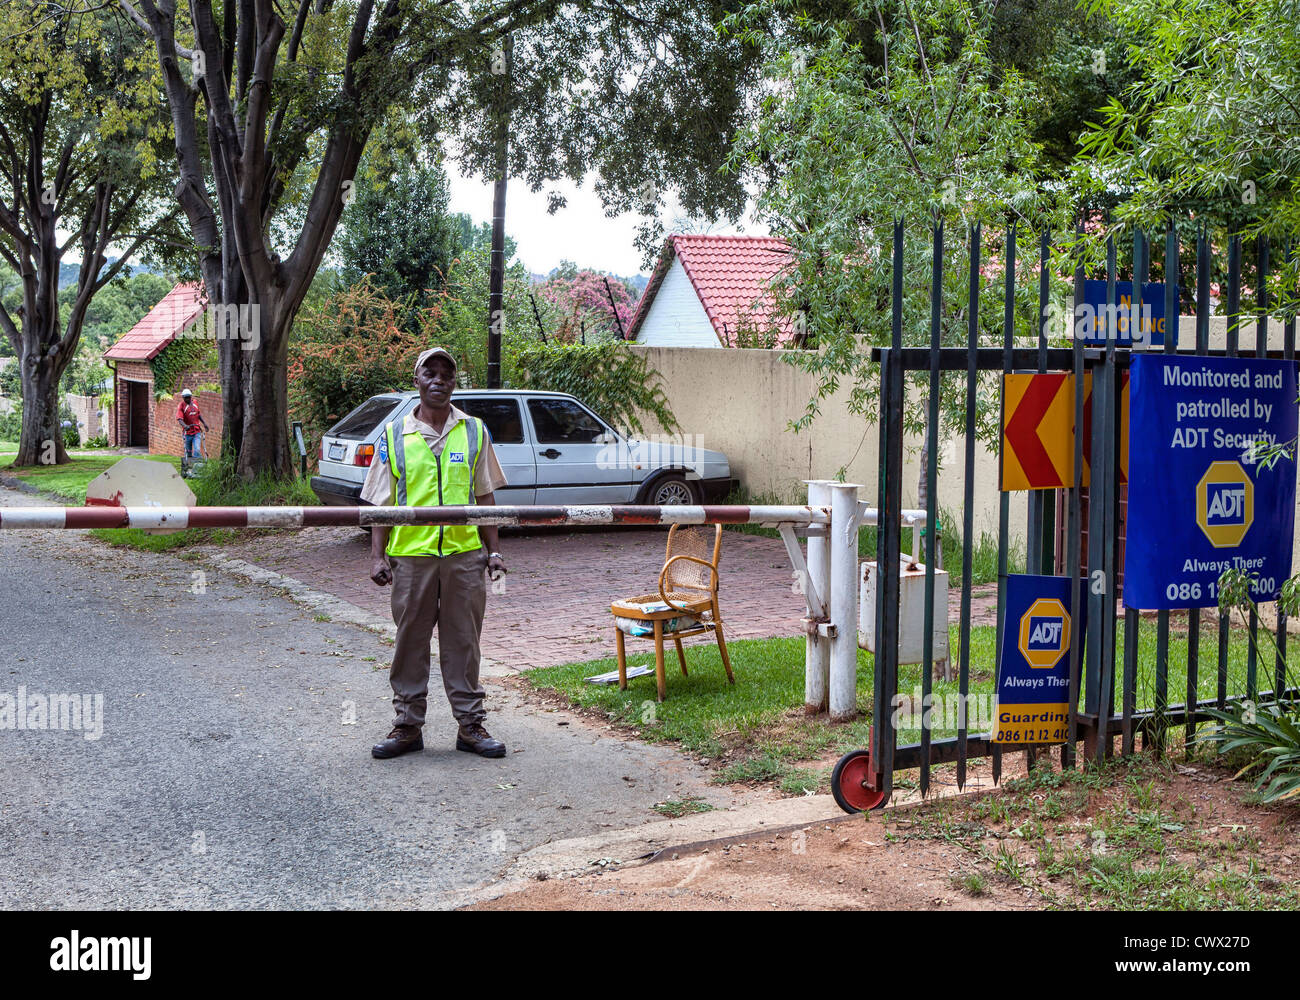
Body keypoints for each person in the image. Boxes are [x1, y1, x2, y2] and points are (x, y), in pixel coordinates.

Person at [361, 347, 510, 760]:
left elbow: (485, 497)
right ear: (417, 380)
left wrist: (493, 552)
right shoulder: (394, 437)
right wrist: (377, 557)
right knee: (410, 641)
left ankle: (471, 726)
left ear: (454, 383)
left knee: (464, 642)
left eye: (447, 373)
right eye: (431, 372)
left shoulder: (474, 431)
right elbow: (379, 503)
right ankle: (407, 726)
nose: (439, 379)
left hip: (464, 558)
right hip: (411, 559)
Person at [175, 389, 209, 472]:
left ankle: (200, 468)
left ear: (191, 397)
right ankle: (188, 469)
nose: (187, 399)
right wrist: (185, 426)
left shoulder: (195, 403)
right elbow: (179, 419)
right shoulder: (181, 406)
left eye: (189, 397)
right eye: (186, 398)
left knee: (197, 449)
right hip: (187, 433)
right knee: (188, 452)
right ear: (183, 398)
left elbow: (198, 414)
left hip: (196, 431)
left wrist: (204, 423)